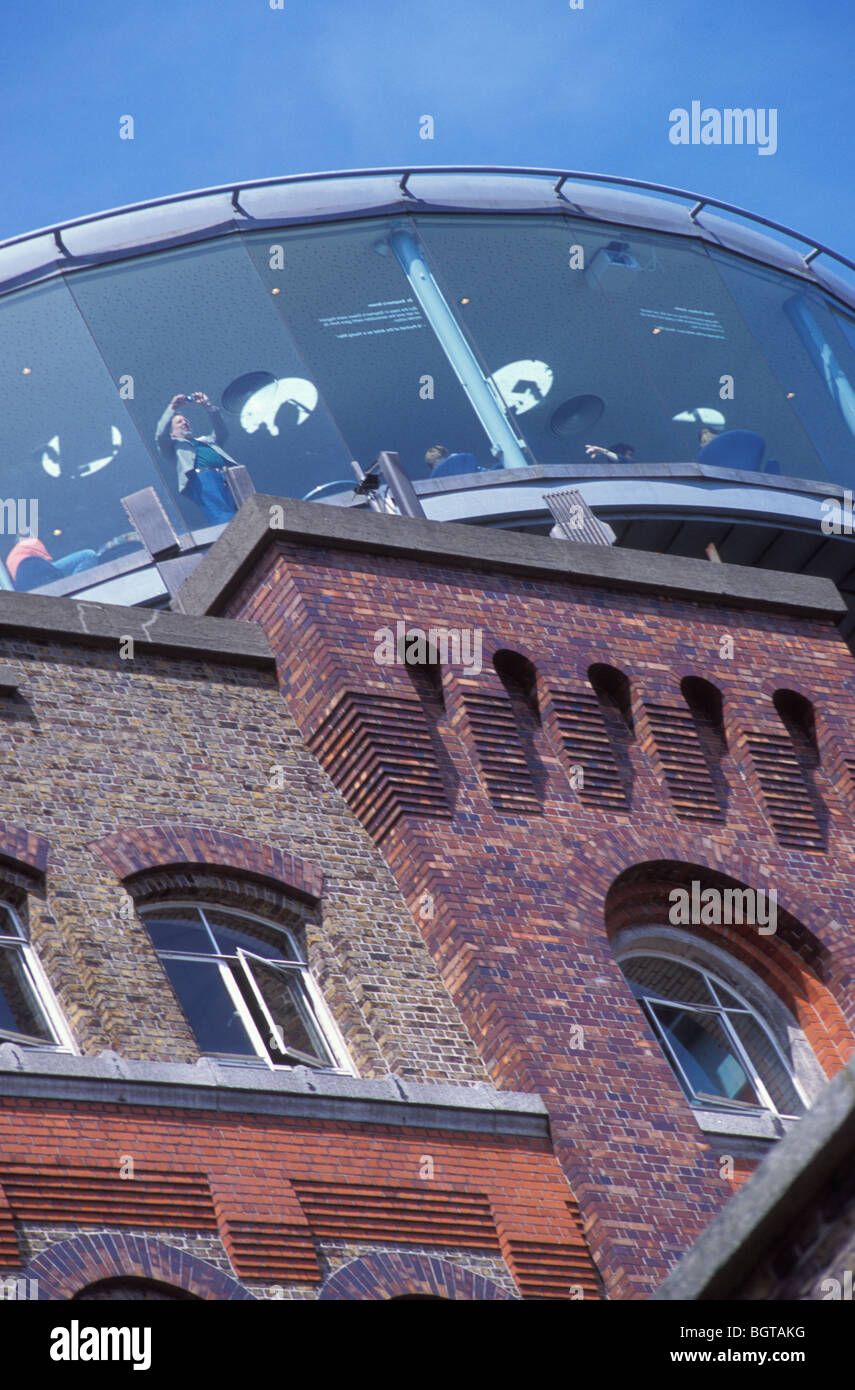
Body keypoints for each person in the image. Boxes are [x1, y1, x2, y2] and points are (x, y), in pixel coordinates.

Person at [155, 392, 240, 525]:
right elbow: (160, 435)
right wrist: (172, 408)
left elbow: (221, 430)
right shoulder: (173, 448)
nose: (184, 422)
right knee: (221, 513)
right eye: (179, 422)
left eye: (186, 420)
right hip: (202, 479)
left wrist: (208, 406)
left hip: (227, 476)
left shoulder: (207, 441)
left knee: (243, 510)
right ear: (172, 433)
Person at [6, 534, 99, 591]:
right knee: (88, 555)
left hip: (28, 588)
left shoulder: (9, 559)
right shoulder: (29, 542)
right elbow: (48, 565)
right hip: (40, 574)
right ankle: (74, 586)